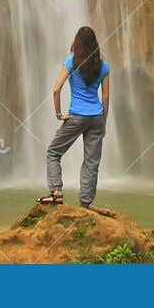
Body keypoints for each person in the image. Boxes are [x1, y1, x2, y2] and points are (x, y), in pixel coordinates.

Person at [39, 26, 110, 209]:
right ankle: (85, 205)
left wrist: (59, 114)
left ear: (76, 43)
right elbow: (106, 96)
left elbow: (56, 89)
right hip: (96, 117)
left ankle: (56, 193)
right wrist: (104, 120)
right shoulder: (103, 66)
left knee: (53, 153)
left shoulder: (71, 62)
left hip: (76, 115)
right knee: (91, 162)